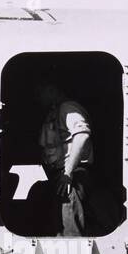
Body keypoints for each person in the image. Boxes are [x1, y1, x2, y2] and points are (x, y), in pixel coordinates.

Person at [38, 83, 94, 237]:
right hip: (62, 177)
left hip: (71, 178)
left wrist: (68, 173)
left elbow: (82, 135)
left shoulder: (67, 108)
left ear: (52, 90)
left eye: (41, 92)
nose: (39, 97)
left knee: (70, 234)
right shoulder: (54, 113)